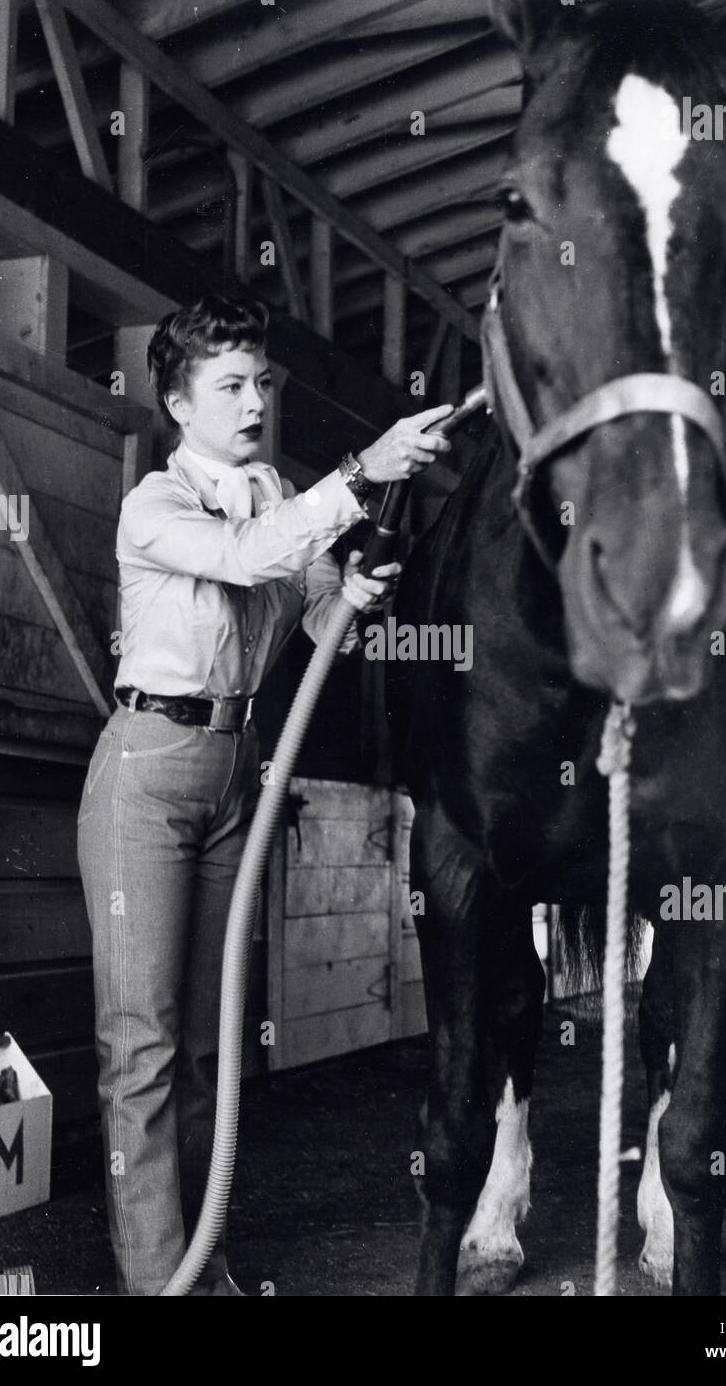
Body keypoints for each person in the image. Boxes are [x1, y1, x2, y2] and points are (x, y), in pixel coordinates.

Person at [77, 294, 453, 1295]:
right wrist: (355, 474)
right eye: (230, 386)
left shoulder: (277, 491)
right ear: (175, 400)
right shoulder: (152, 506)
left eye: (261, 384)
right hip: (148, 773)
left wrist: (359, 586)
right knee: (142, 1049)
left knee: (204, 1050)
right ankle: (156, 1281)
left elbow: (316, 591)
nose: (253, 402)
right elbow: (248, 560)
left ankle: (203, 1269)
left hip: (235, 772)